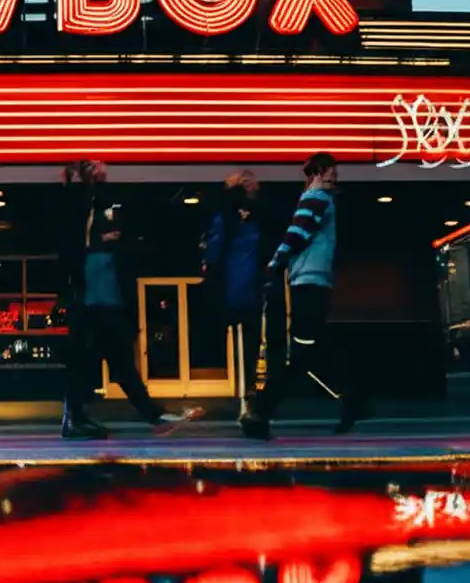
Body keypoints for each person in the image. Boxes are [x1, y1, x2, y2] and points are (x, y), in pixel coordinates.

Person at [55, 159, 203, 440]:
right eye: (97, 168)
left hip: (104, 297)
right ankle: (80, 418)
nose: (104, 171)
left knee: (113, 362)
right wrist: (78, 182)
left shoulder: (101, 210)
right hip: (91, 299)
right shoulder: (82, 205)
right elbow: (74, 223)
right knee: (96, 362)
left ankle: (144, 415)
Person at [239, 152, 368, 440]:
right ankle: (353, 398)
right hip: (314, 280)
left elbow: (296, 234)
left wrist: (274, 265)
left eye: (333, 172)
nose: (333, 177)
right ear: (319, 172)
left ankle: (261, 413)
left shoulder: (316, 197)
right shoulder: (323, 199)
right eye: (330, 171)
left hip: (308, 282)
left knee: (302, 351)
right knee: (306, 350)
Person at [200, 170, 282, 416]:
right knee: (253, 344)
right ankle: (252, 396)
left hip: (243, 286)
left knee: (251, 346)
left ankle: (252, 395)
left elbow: (214, 249)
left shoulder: (231, 217)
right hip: (246, 286)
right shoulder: (242, 217)